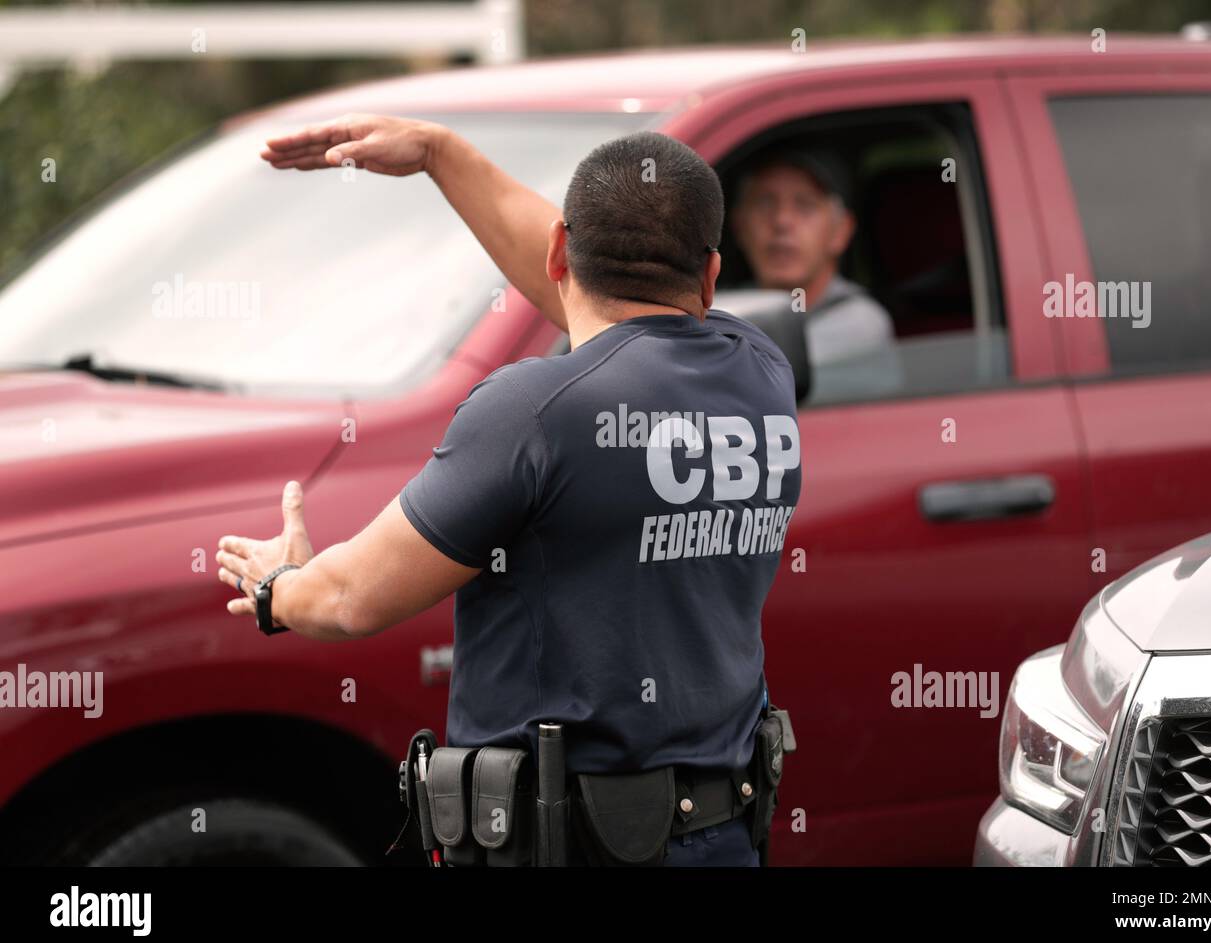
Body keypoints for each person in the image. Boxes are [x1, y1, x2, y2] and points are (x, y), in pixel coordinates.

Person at [215, 115, 801, 866]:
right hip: (721, 834)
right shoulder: (760, 370)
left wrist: (277, 589)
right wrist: (441, 155)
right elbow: (623, 329)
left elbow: (350, 599)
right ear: (712, 277)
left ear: (560, 252)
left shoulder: (536, 411)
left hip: (569, 849)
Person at [729, 146, 896, 401]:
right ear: (739, 225)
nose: (782, 221)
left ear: (841, 231)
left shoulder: (862, 323)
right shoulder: (722, 307)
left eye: (805, 205)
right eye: (765, 202)